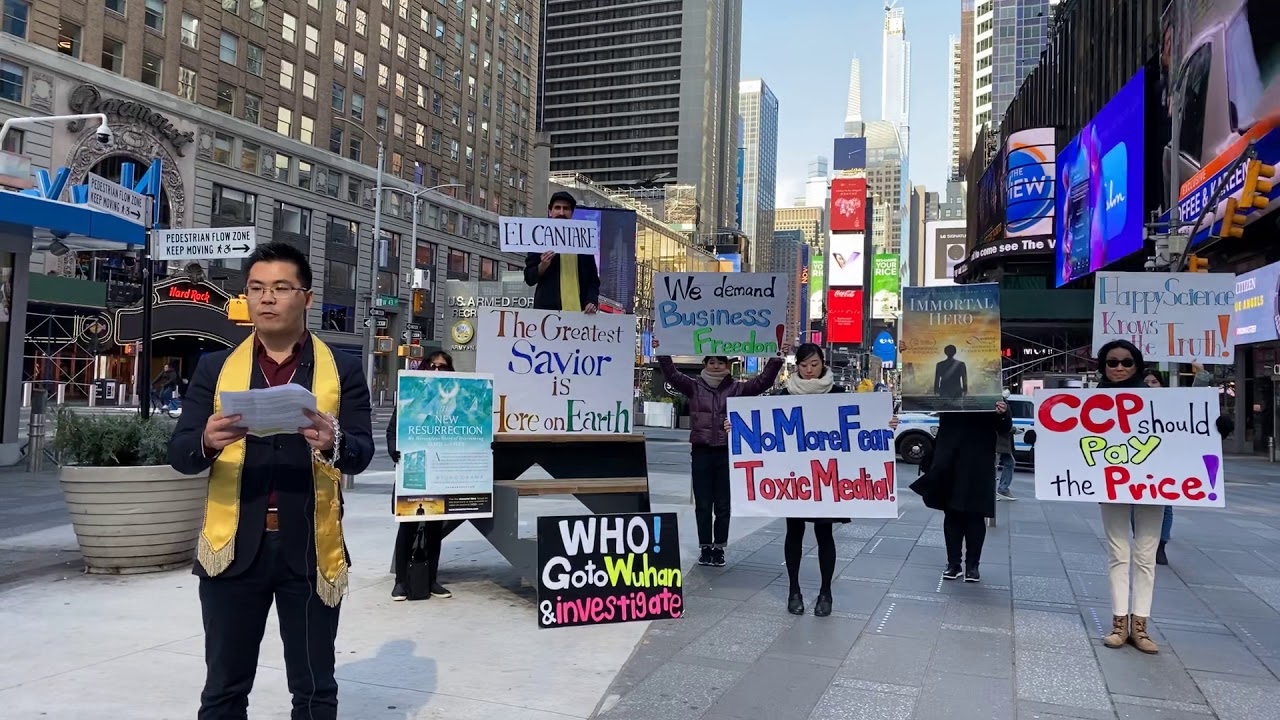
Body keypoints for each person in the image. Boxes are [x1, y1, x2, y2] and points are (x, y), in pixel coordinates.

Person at [169, 242, 374, 719]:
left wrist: (332, 441)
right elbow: (181, 455)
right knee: (223, 688)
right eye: (256, 288)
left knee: (314, 689)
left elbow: (361, 454)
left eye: (281, 288)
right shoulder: (215, 368)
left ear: (306, 296)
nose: (266, 298)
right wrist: (207, 438)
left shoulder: (340, 369)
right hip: (232, 551)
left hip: (309, 551)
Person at [768, 344, 898, 616]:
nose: (809, 370)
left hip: (827, 478)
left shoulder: (838, 394)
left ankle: (825, 591)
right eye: (803, 365)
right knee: (794, 532)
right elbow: (762, 429)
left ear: (823, 363)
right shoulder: (784, 395)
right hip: (794, 478)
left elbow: (863, 425)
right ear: (797, 367)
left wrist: (886, 424)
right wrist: (733, 426)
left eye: (814, 364)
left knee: (824, 533)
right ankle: (794, 590)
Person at [654, 337, 784, 567]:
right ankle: (705, 546)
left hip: (727, 453)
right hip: (701, 451)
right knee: (703, 503)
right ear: (705, 363)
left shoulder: (738, 389)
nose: (716, 366)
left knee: (723, 504)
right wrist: (661, 351)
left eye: (720, 362)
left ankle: (719, 548)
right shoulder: (693, 386)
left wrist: (775, 359)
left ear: (728, 365)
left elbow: (763, 382)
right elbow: (672, 375)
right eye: (711, 362)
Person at [388, 350, 463, 601]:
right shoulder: (411, 397)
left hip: (441, 473)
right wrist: (394, 450)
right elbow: (393, 430)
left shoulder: (456, 402)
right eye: (432, 366)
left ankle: (431, 580)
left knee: (434, 529)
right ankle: (400, 582)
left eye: (442, 368)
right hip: (415, 471)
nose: (436, 371)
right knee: (407, 528)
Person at [911, 398, 1012, 583]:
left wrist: (1002, 413)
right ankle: (954, 564)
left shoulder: (991, 395)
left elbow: (1005, 427)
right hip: (950, 461)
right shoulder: (948, 394)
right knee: (952, 514)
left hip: (978, 463)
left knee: (975, 514)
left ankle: (972, 566)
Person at [523, 190, 601, 313]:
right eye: (557, 208)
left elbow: (593, 280)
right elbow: (529, 278)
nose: (561, 212)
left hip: (580, 314)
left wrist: (591, 301)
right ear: (550, 211)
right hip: (548, 314)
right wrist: (542, 266)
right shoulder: (539, 239)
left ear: (572, 212)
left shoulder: (583, 241)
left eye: (566, 208)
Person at [1142, 369, 1174, 566]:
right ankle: (1144, 541)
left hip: (1165, 461)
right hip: (1137, 461)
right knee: (1135, 504)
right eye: (1146, 382)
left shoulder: (1171, 404)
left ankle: (1160, 544)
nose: (1150, 385)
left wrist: (1202, 374)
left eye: (1154, 382)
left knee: (1166, 505)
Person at [995, 393, 1017, 501]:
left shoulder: (1002, 401)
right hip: (998, 441)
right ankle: (1000, 489)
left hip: (1003, 441)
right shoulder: (998, 400)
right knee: (994, 466)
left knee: (1009, 463)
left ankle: (1002, 489)